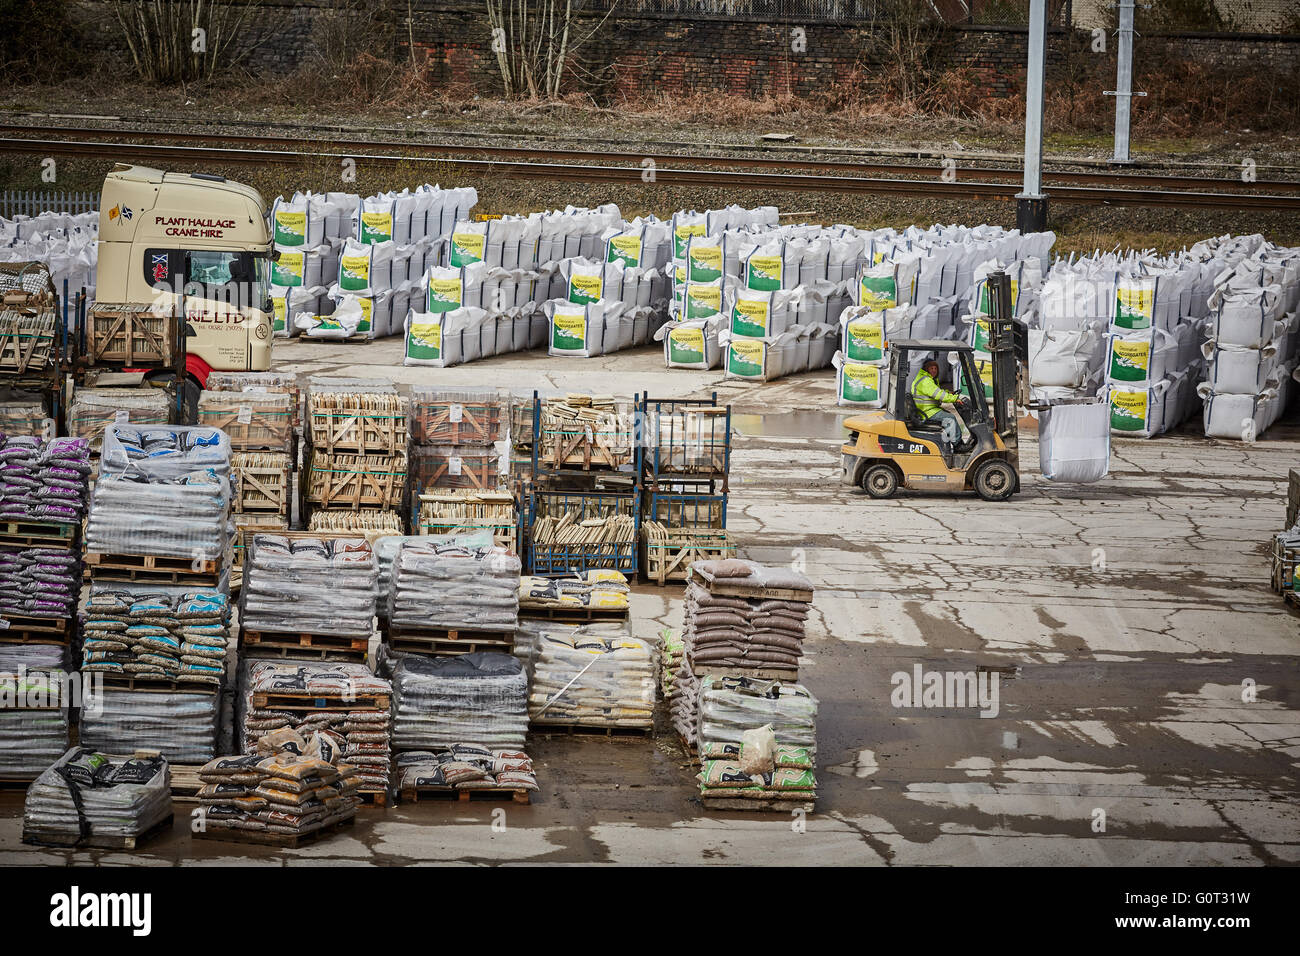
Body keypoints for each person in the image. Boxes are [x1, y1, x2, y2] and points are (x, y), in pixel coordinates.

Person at [910, 359, 971, 454]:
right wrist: (955, 399)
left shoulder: (928, 379)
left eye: (935, 368)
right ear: (926, 369)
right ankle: (958, 445)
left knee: (948, 415)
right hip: (927, 412)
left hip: (928, 409)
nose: (934, 370)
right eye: (931, 368)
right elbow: (939, 395)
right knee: (950, 418)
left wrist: (949, 393)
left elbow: (938, 391)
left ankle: (957, 442)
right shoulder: (925, 381)